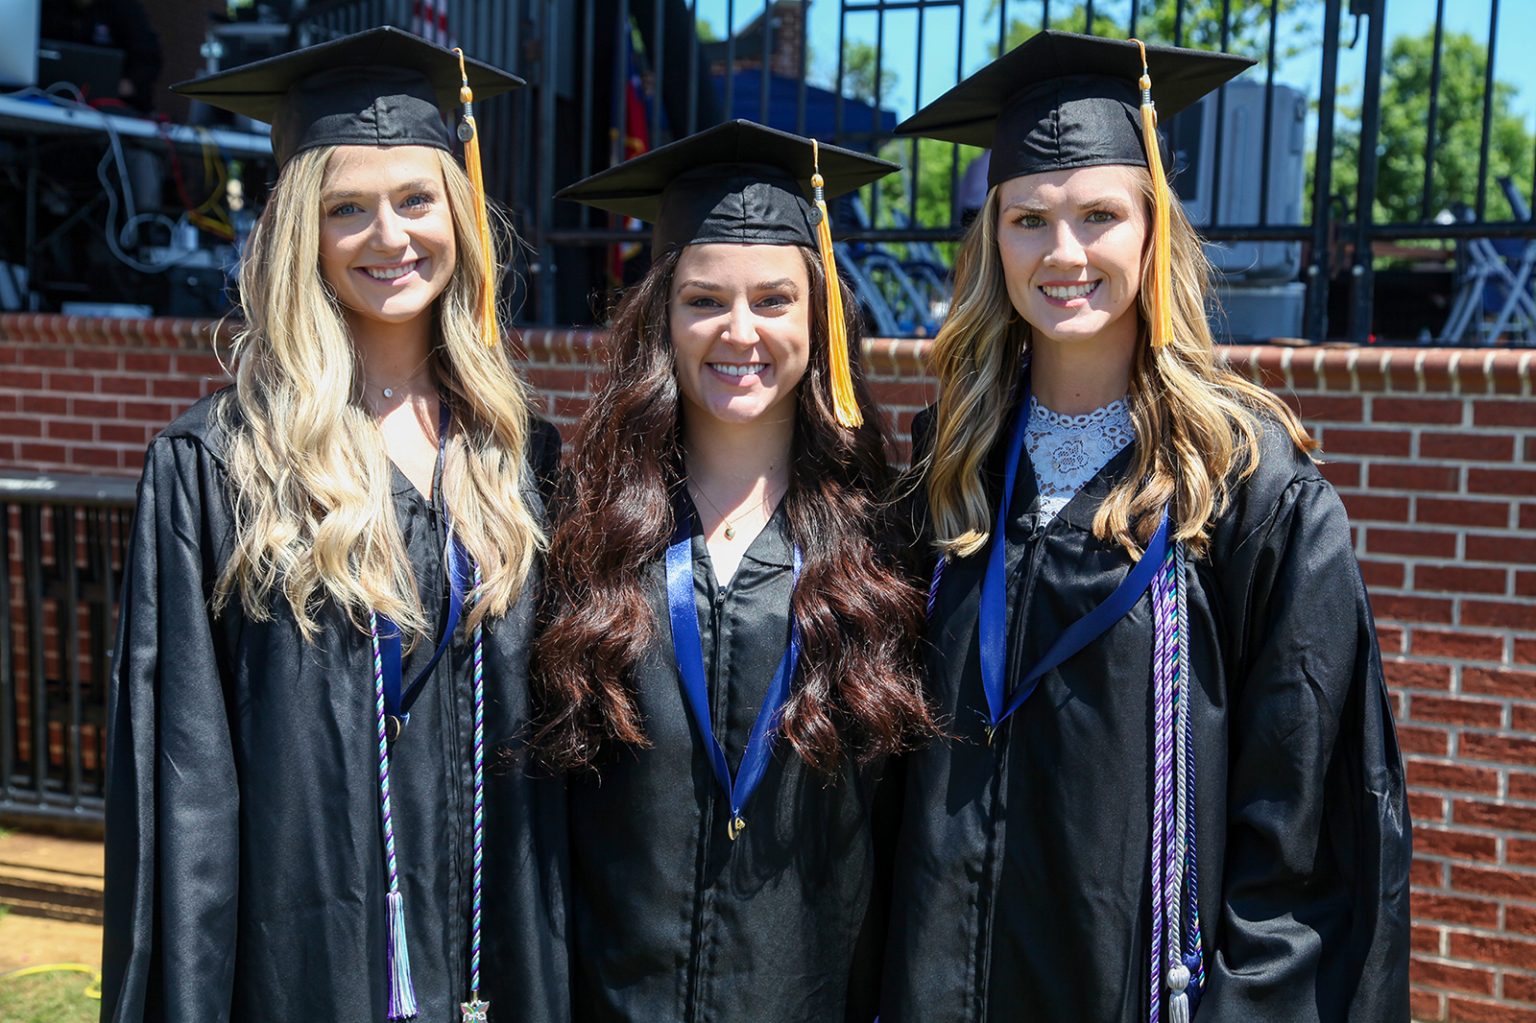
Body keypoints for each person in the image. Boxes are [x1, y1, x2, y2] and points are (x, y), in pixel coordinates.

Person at [881, 31, 1411, 1022]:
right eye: (1028, 218)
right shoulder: (947, 465)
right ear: (993, 238)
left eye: (1098, 216)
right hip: (943, 982)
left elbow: (1300, 818)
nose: (1063, 253)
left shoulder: (1248, 485)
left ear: (1152, 229)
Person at [100, 28, 569, 1023]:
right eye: (345, 208)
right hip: (296, 965)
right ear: (300, 233)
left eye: (414, 200)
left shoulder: (522, 459)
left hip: (488, 966)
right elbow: (181, 786)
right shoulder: (218, 464)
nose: (387, 237)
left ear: (460, 215)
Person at [542, 119, 937, 1022]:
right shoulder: (590, 535)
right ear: (663, 319)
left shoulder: (885, 545)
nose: (739, 330)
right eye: (704, 300)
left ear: (820, 317)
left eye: (773, 299)